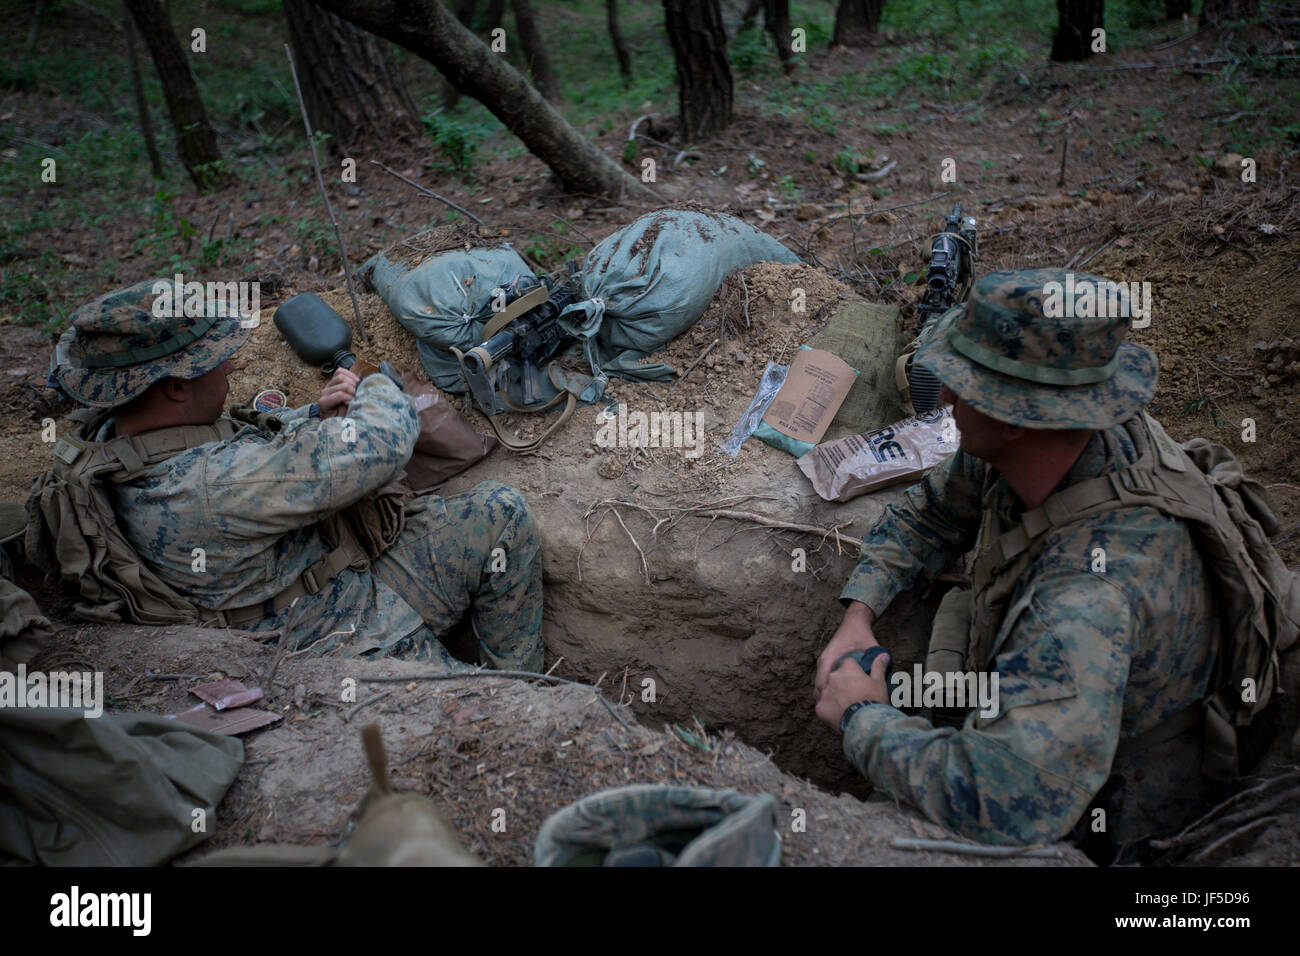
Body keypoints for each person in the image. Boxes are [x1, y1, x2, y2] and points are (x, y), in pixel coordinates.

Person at [813, 269, 1219, 860]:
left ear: (1010, 417)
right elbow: (930, 514)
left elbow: (1001, 803)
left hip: (1110, 822)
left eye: (962, 385)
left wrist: (862, 716)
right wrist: (860, 614)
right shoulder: (1050, 438)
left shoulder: (1086, 600)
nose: (944, 398)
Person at [39, 279, 543, 671]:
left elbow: (237, 448)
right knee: (485, 715)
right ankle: (526, 705)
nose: (229, 367)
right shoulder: (210, 485)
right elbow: (383, 444)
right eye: (215, 360)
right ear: (174, 388)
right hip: (332, 641)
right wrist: (374, 382)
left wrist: (311, 416)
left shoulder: (112, 439)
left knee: (498, 512)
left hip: (327, 579)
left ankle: (523, 684)